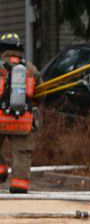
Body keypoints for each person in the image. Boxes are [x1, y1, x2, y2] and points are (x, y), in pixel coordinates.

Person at [0, 33, 40, 194]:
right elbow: (40, 93)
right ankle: (19, 185)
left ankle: (1, 171)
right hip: (22, 121)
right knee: (22, 154)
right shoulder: (30, 69)